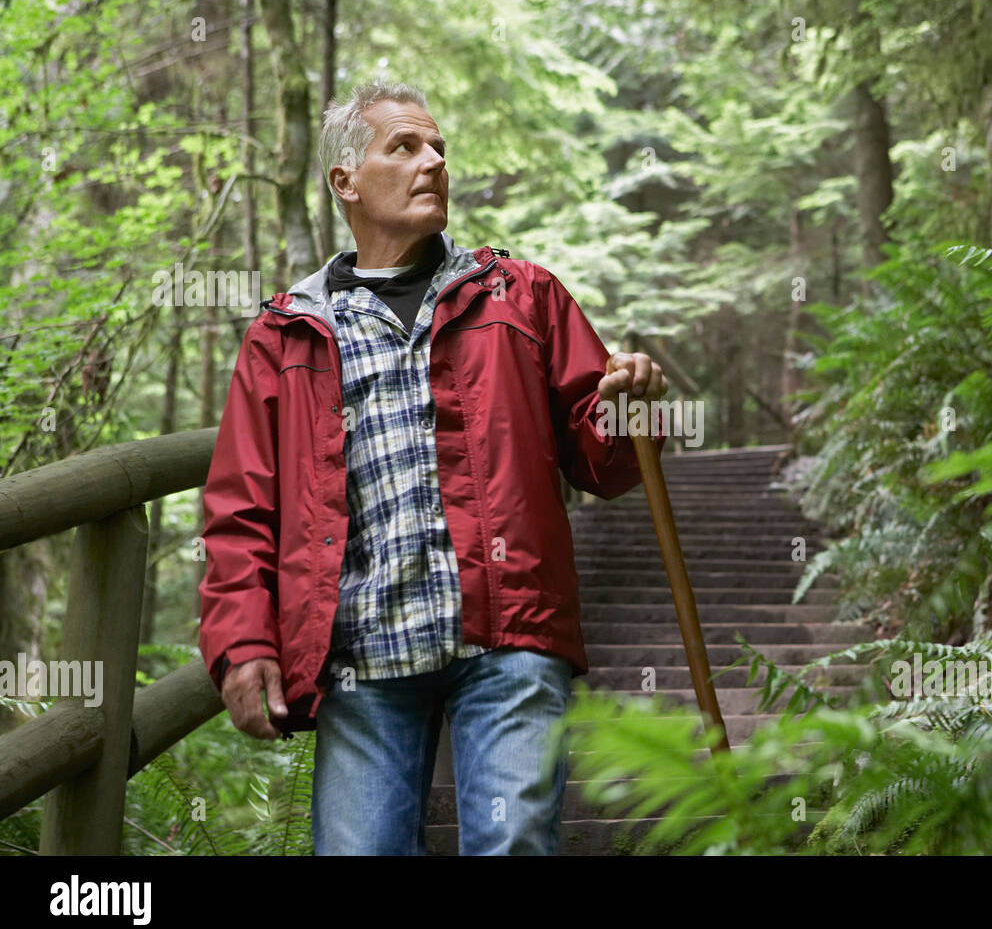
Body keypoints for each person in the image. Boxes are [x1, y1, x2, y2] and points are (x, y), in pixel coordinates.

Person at [198, 80, 668, 855]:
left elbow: (603, 461)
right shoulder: (285, 336)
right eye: (405, 147)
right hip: (359, 656)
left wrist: (633, 402)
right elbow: (239, 510)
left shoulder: (522, 295)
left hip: (509, 637)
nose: (433, 163)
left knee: (511, 844)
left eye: (439, 148)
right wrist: (243, 644)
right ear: (345, 182)